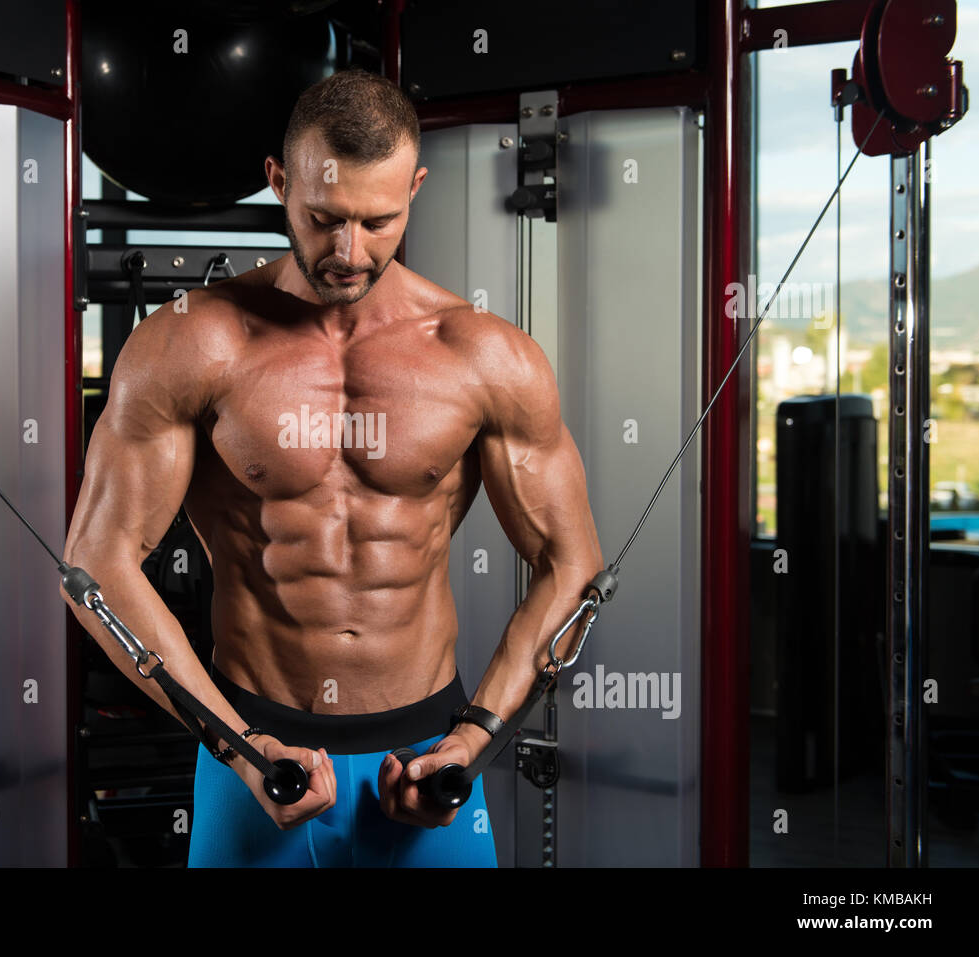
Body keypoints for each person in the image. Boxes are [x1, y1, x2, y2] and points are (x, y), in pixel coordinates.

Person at [60, 68, 604, 867]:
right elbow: (95, 564)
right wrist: (238, 745)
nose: (350, 253)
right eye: (324, 219)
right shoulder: (193, 344)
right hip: (253, 759)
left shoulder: (485, 355)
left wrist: (474, 738)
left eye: (379, 221)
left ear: (416, 187)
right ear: (277, 182)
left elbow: (574, 565)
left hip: (427, 761)